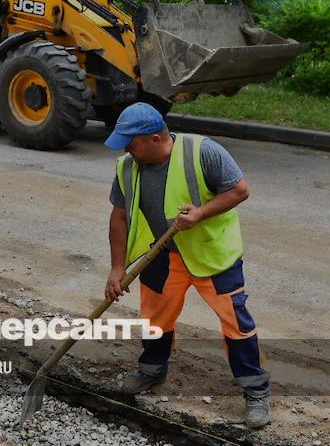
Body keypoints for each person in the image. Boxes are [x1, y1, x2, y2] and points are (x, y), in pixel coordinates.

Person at [104, 102, 271, 429]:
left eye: (131, 142)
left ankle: (255, 391)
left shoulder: (203, 152)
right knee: (154, 316)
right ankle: (152, 370)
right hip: (162, 255)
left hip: (212, 256)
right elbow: (119, 217)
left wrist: (199, 214)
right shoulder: (126, 167)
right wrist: (116, 268)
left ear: (154, 138)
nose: (126, 148)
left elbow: (240, 190)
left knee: (235, 323)